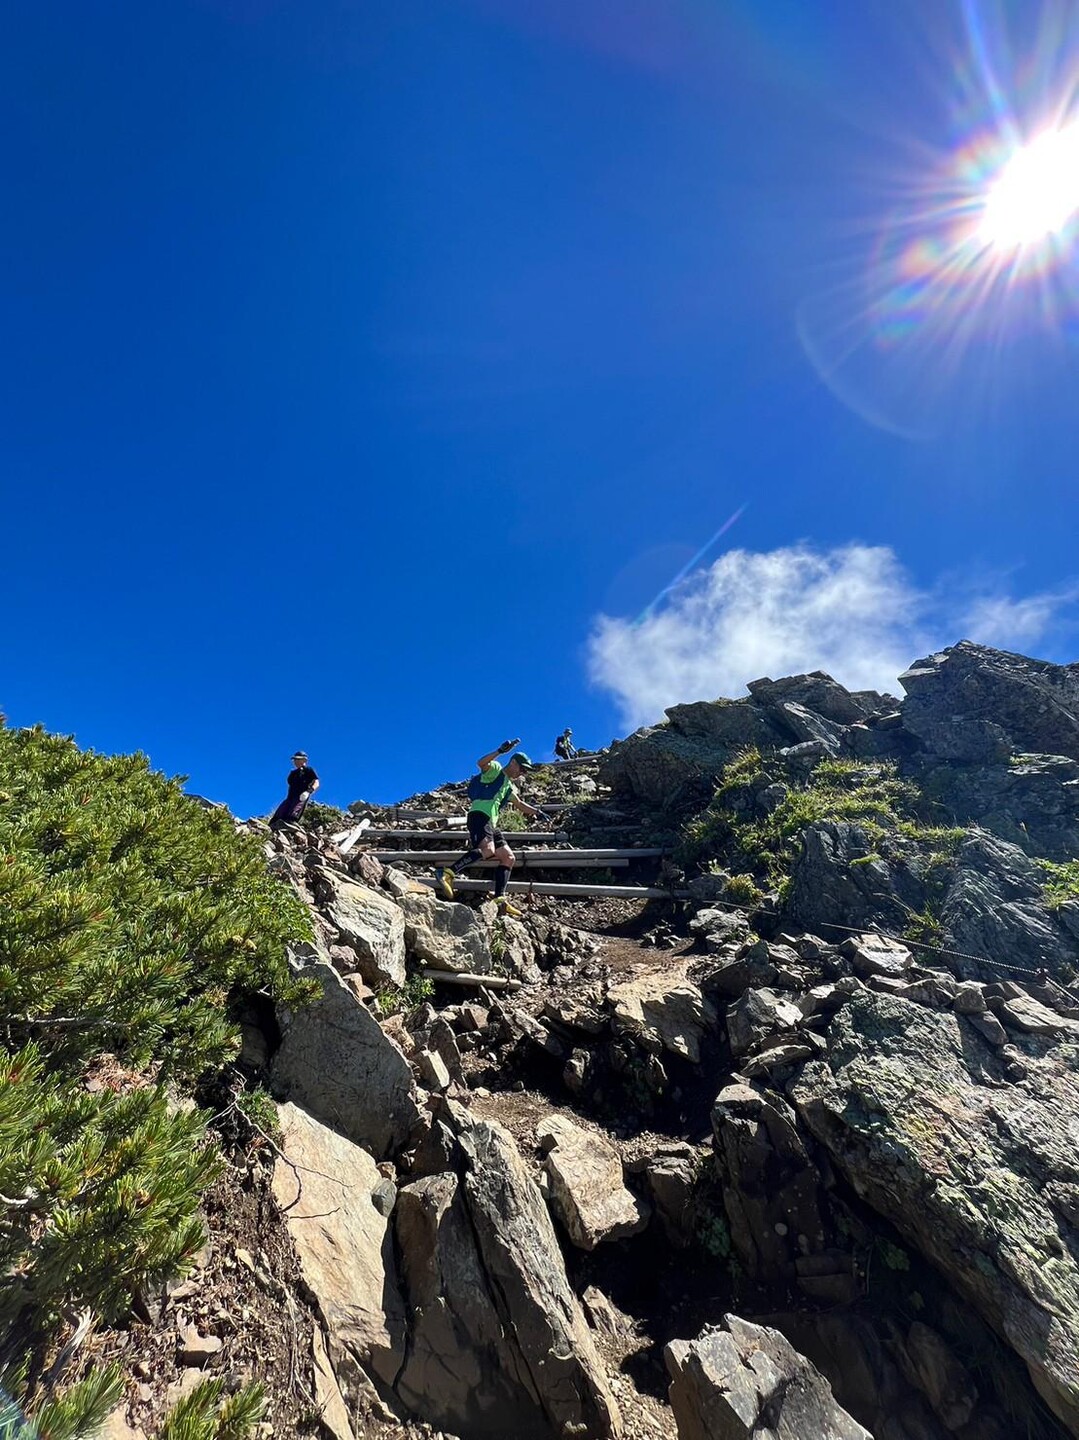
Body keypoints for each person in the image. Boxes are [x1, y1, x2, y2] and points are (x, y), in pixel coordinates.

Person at [435, 738, 544, 915]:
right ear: (514, 763)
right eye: (522, 768)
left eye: (526, 771)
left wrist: (538, 812)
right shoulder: (495, 770)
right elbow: (481, 763)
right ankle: (447, 872)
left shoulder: (510, 787)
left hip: (491, 823)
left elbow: (520, 804)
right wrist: (500, 751)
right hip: (479, 815)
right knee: (488, 849)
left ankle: (500, 899)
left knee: (508, 857)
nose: (522, 773)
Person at [269, 751, 320, 832]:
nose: (295, 761)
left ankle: (289, 828)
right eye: (295, 760)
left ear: (304, 760)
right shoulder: (293, 773)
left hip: (301, 796)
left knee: (293, 814)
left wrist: (308, 791)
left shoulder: (309, 770)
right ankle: (272, 828)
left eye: (298, 759)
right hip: (290, 797)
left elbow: (316, 782)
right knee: (279, 814)